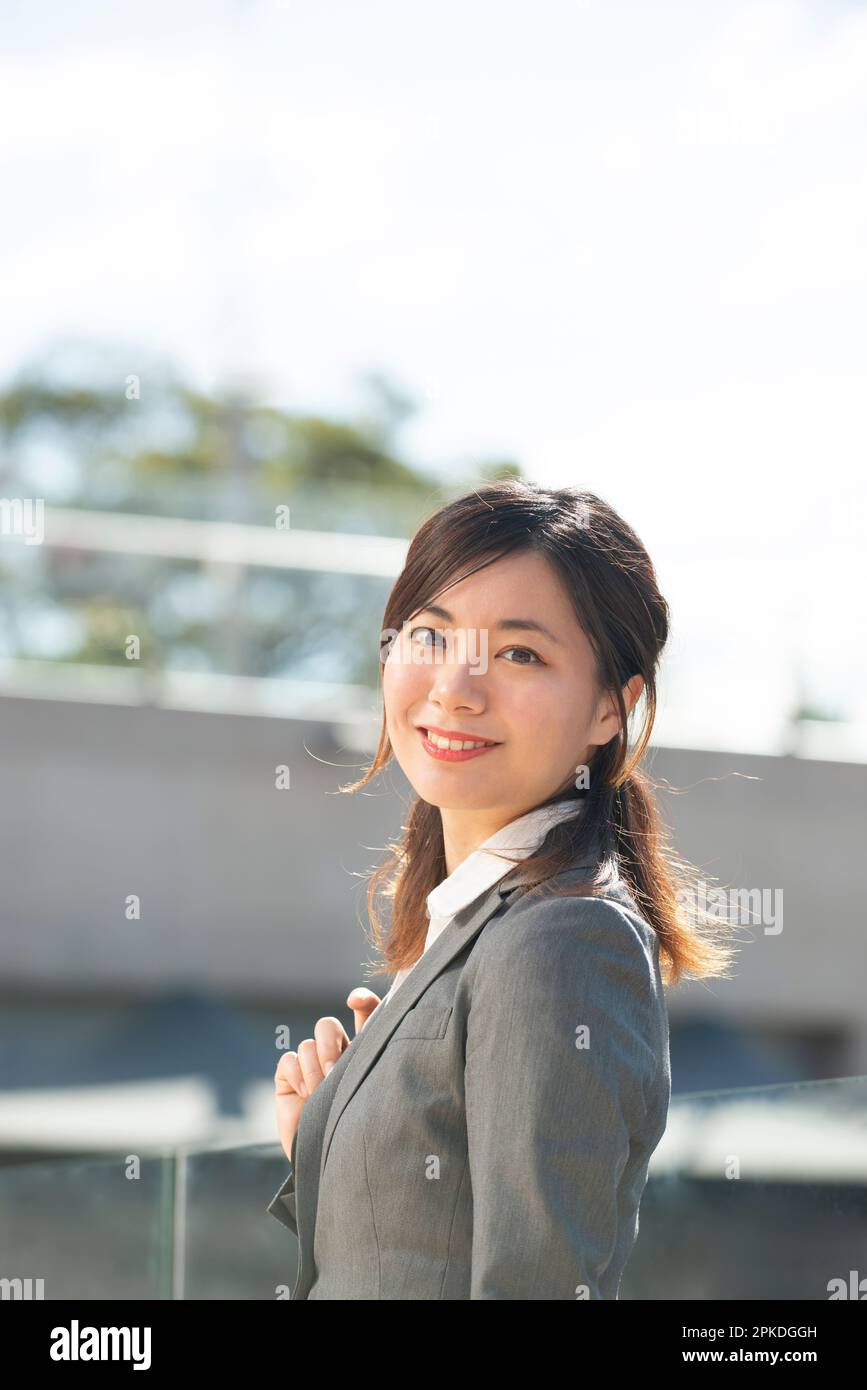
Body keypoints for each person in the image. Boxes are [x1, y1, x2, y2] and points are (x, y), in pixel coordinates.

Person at [268, 480, 737, 1299]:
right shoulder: (481, 920)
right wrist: (332, 1131)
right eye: (429, 635)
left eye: (519, 653)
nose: (455, 687)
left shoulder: (562, 937)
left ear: (609, 707)